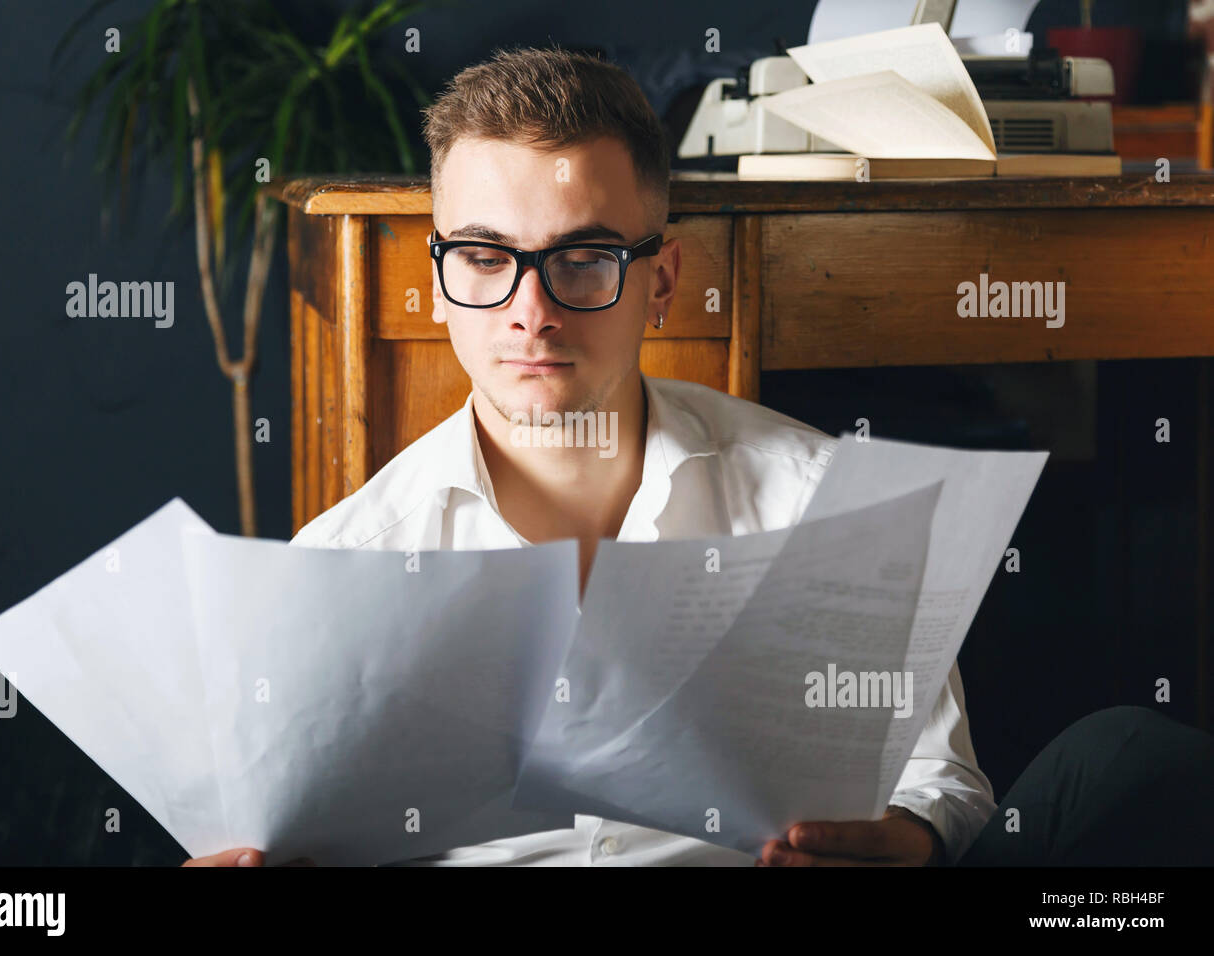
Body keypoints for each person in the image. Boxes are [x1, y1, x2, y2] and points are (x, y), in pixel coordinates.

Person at [184, 46, 1214, 868]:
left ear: (661, 279)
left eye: (583, 257)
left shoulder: (817, 496)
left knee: (1130, 756)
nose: (529, 312)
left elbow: (941, 786)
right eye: (487, 258)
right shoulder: (344, 560)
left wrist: (901, 839)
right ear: (443, 278)